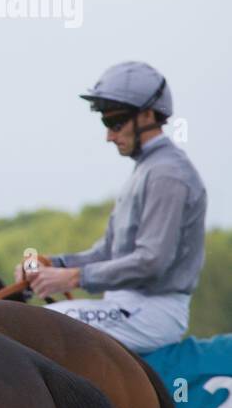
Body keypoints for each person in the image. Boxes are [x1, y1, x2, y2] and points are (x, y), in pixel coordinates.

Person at [16, 61, 206, 352]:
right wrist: (53, 264)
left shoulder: (168, 174)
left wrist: (73, 277)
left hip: (153, 313)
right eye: (105, 123)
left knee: (36, 326)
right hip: (124, 306)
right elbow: (107, 253)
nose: (108, 135)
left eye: (114, 123)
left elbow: (152, 262)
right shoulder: (147, 169)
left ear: (147, 115)